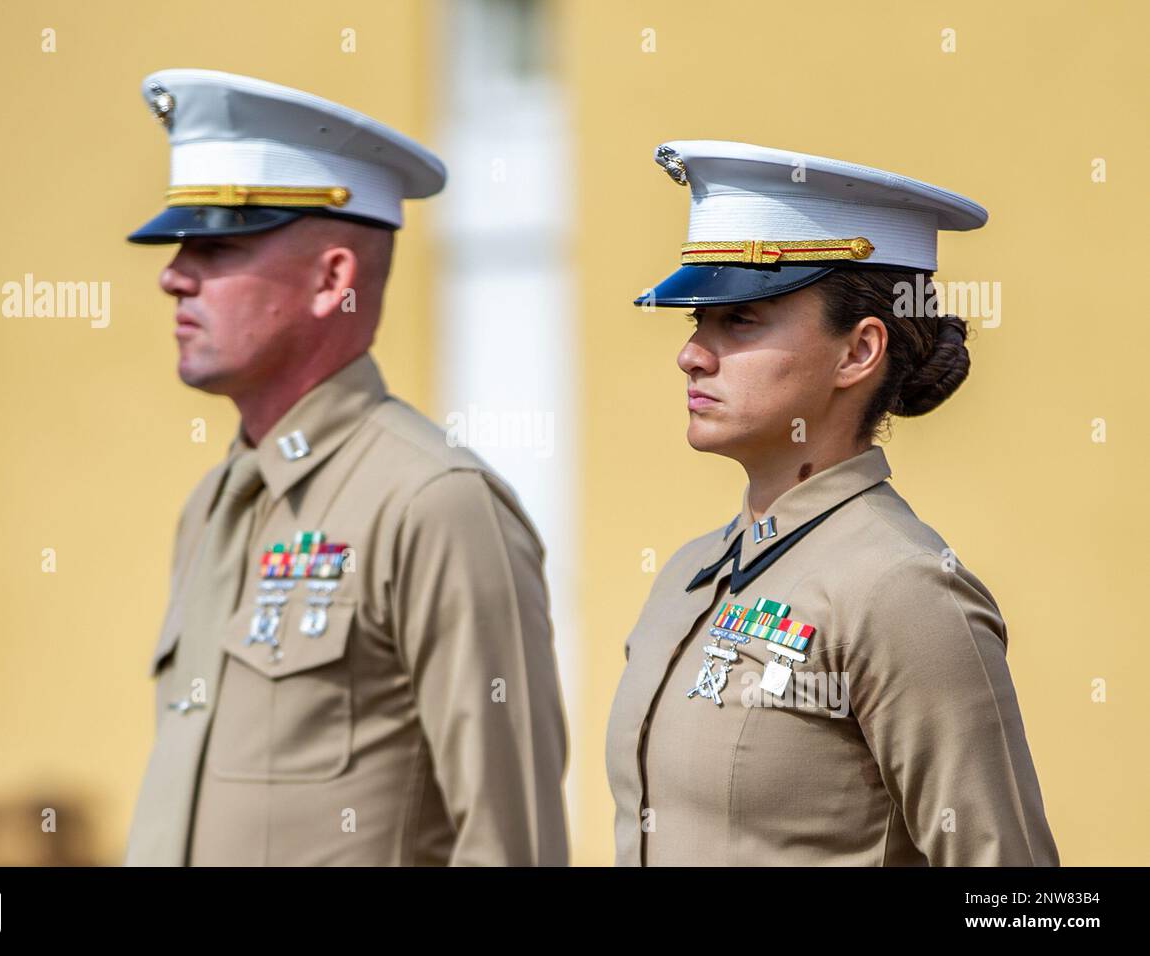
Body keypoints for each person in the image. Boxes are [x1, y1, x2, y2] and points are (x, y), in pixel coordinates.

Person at [122, 69, 568, 866]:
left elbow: (511, 840)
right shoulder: (215, 504)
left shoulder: (433, 503)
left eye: (218, 245)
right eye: (180, 246)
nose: (174, 275)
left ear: (333, 281)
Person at [606, 141, 1059, 866]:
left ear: (858, 352)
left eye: (741, 320)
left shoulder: (903, 589)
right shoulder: (691, 572)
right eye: (697, 322)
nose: (692, 354)